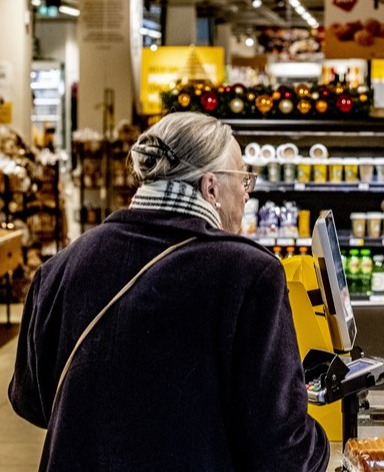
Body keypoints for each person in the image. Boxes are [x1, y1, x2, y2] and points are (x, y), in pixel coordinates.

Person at [8, 112, 329, 471]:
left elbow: (28, 400)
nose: (246, 194)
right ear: (211, 188)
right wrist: (325, 444)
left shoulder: (60, 268)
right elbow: (283, 452)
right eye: (244, 180)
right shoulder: (250, 274)